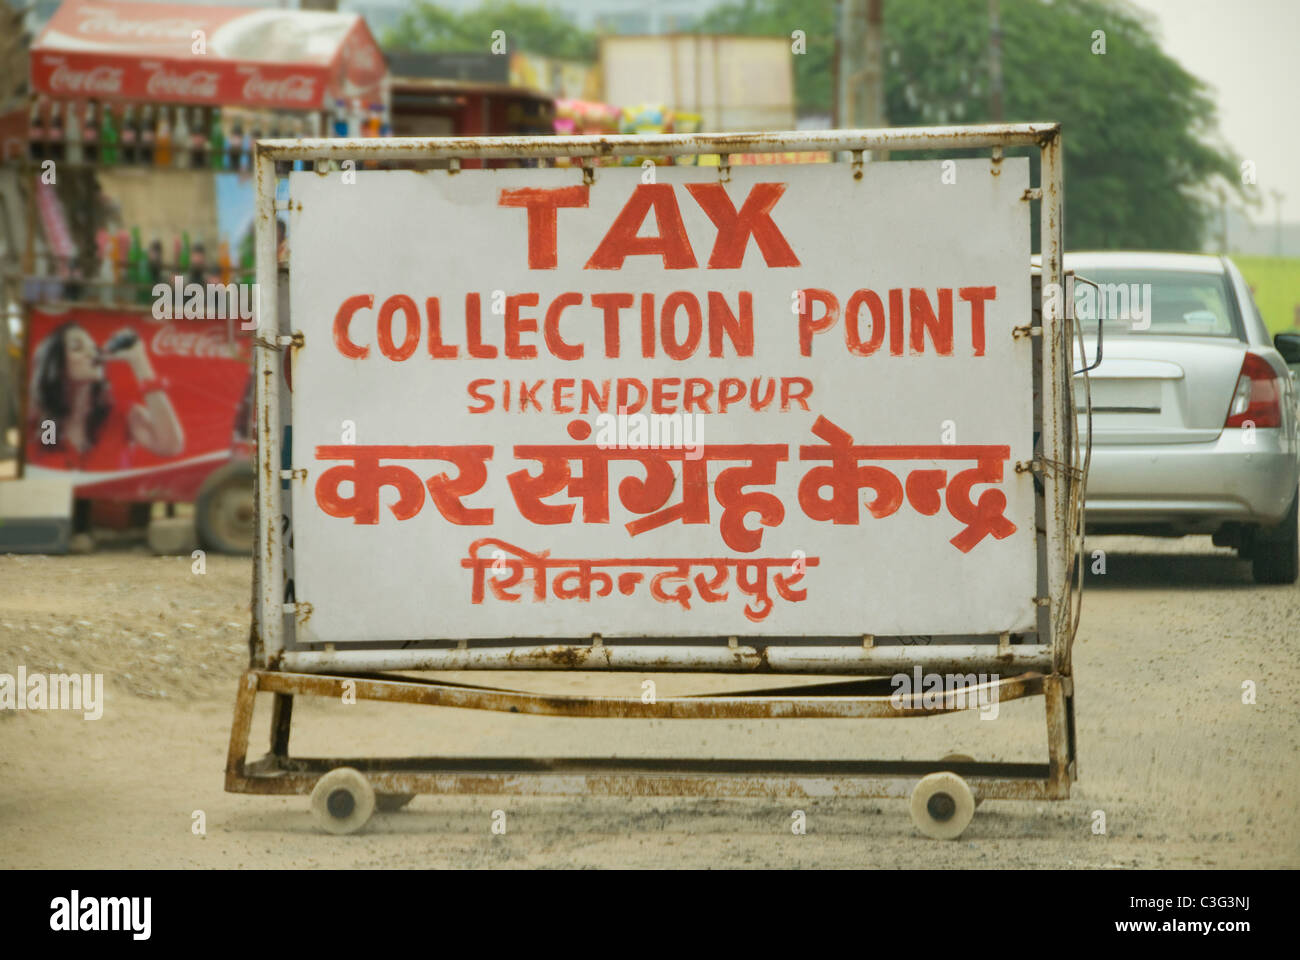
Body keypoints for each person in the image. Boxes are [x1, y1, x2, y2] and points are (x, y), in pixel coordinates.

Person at [27, 322, 185, 473]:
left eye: (94, 348)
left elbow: (170, 446)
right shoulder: (47, 424)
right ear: (56, 364)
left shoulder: (121, 415)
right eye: (77, 348)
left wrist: (139, 361)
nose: (92, 353)